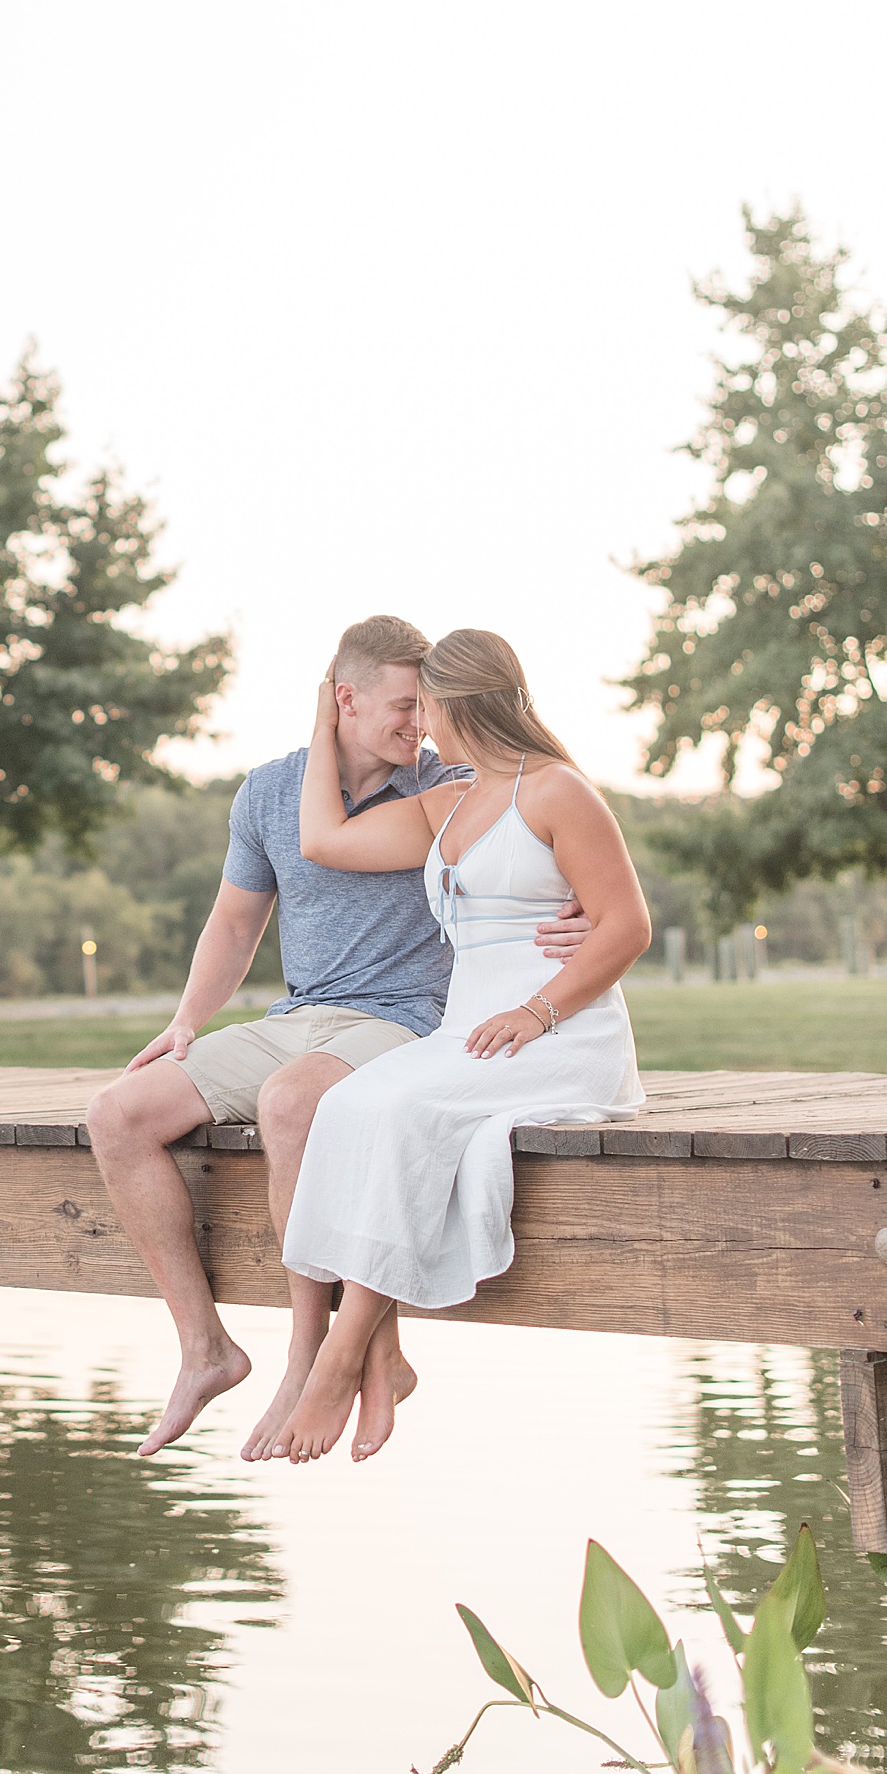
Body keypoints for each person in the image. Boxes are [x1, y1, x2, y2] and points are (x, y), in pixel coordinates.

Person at [85, 615, 591, 1460]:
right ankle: (206, 1350)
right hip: (299, 1018)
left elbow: (548, 825)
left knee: (291, 1105)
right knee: (117, 1114)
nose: (421, 723)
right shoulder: (268, 792)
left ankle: (309, 1359)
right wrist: (186, 1020)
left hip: (407, 1020)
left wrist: (579, 910)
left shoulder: (449, 781)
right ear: (343, 700)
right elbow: (235, 921)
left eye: (427, 706)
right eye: (404, 706)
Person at [268, 627, 651, 1465]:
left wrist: (538, 1011)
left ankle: (340, 1357)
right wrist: (323, 715)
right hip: (469, 1032)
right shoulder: (449, 803)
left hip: (560, 1034)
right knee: (347, 1106)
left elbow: (626, 925)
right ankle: (382, 1362)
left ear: (457, 706)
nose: (418, 724)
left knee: (402, 1110)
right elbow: (322, 838)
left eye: (425, 707)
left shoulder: (558, 792)